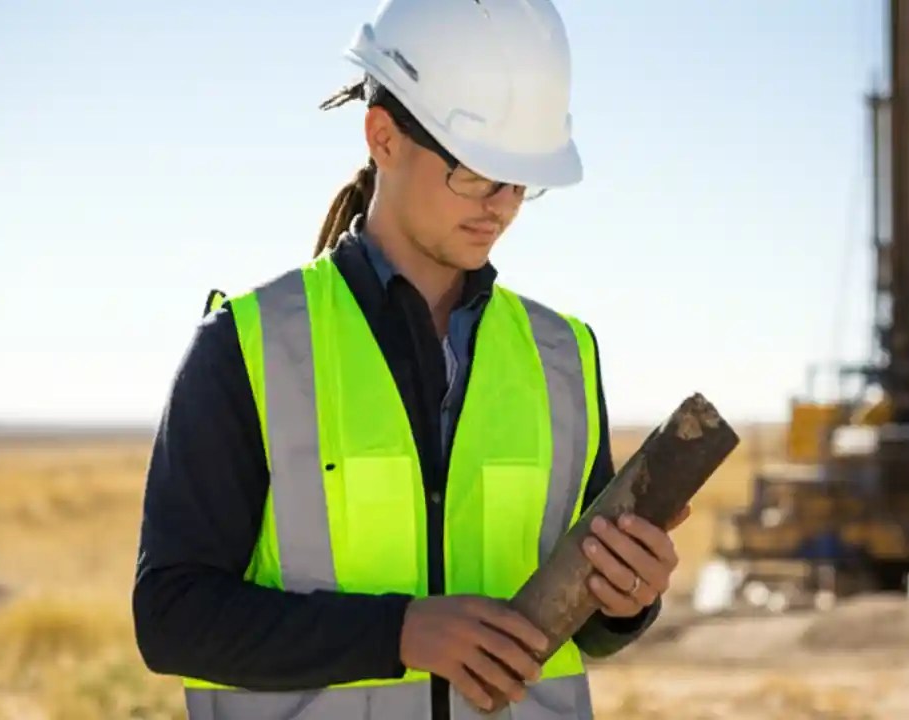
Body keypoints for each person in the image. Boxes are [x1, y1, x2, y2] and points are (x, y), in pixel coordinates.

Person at [131, 1, 691, 718]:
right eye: (477, 172)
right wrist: (397, 633)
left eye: (521, 181)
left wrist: (626, 601)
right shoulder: (246, 346)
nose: (501, 205)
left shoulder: (564, 356)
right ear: (383, 137)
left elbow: (584, 623)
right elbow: (172, 616)